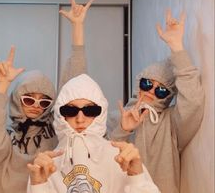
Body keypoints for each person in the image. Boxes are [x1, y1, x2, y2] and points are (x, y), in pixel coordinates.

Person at [0, 0, 92, 193]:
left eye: (44, 102)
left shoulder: (58, 128)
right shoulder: (6, 135)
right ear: (17, 100)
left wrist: (77, 30)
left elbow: (74, 85)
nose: (36, 107)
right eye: (29, 100)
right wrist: (0, 88)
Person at [108, 10, 205, 193]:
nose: (151, 91)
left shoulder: (171, 123)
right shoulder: (115, 118)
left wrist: (177, 48)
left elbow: (193, 102)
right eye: (147, 84)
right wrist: (124, 129)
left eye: (161, 90)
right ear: (139, 83)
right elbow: (102, 161)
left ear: (168, 96)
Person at [27, 74, 160, 193]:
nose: (80, 119)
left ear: (100, 113)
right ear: (60, 115)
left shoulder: (121, 158)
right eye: (70, 110)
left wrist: (137, 178)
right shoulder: (47, 165)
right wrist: (39, 186)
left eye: (90, 110)